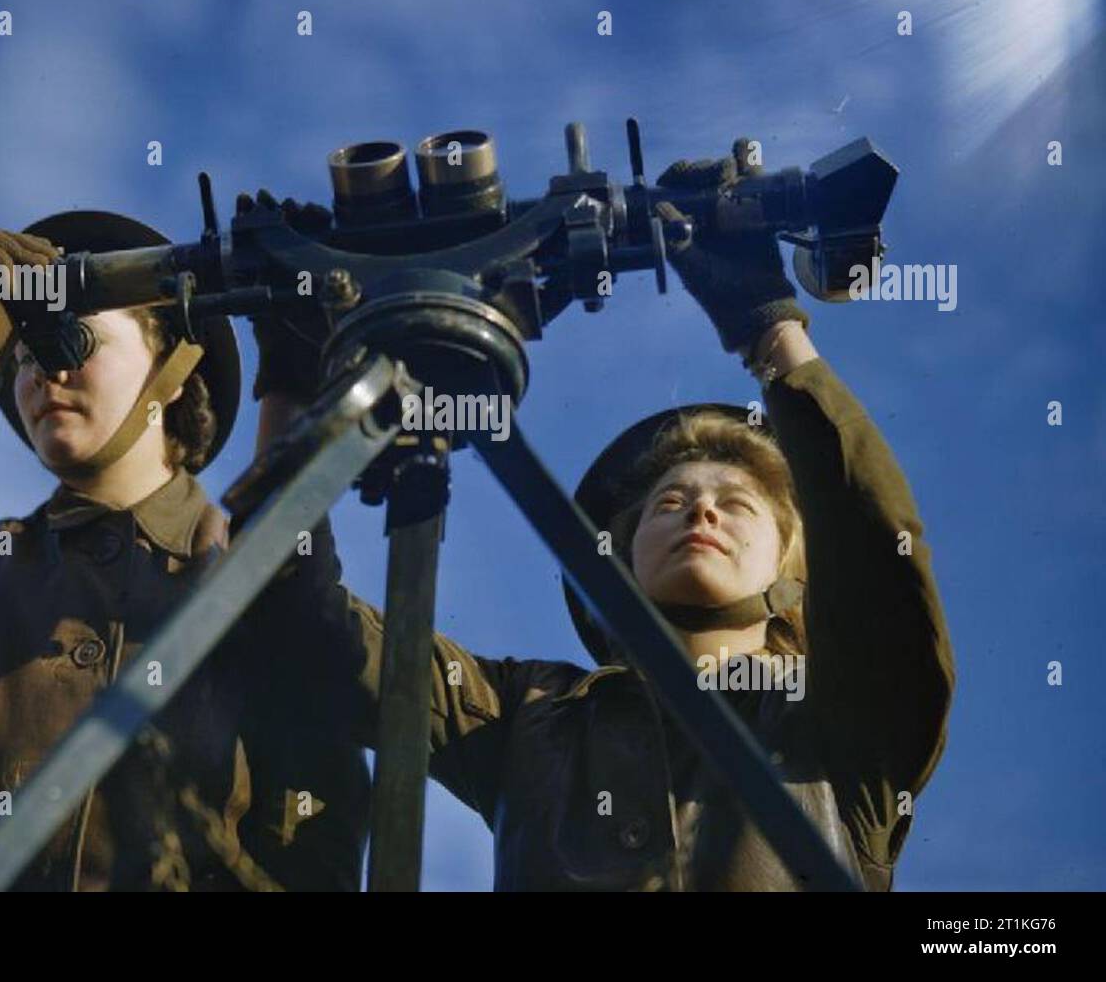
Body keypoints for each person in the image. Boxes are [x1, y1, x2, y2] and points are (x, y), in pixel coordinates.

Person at [249, 143, 956, 891]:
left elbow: (877, 554)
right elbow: (303, 624)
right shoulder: (527, 713)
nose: (702, 510)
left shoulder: (838, 718)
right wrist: (294, 385)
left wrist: (768, 325)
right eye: (670, 503)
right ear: (616, 558)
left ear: (792, 569)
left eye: (738, 503)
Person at [0, 211, 369, 891]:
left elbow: (320, 846)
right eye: (20, 359)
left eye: (73, 340)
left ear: (174, 367)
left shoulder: (264, 588)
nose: (40, 374)